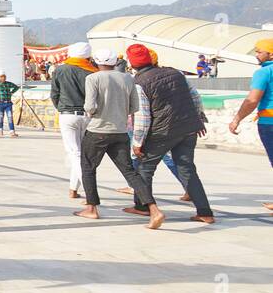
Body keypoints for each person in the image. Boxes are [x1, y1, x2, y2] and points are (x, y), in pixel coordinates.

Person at [73, 47, 164, 227]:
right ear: (115, 62)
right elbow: (134, 107)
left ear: (96, 61)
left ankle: (92, 208)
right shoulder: (128, 78)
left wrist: (94, 111)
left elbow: (90, 106)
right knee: (129, 171)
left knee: (88, 168)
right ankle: (154, 209)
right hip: (120, 132)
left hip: (98, 130)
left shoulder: (92, 78)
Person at [125, 43, 214, 224]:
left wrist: (137, 142)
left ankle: (142, 207)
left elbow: (143, 116)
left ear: (132, 64)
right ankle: (205, 212)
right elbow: (195, 96)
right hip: (188, 129)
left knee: (144, 169)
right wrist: (199, 119)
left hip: (161, 132)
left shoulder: (139, 83)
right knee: (187, 168)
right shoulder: (176, 73)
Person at [230, 38, 273, 210]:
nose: (257, 54)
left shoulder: (264, 72)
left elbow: (252, 100)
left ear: (270, 53)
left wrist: (237, 119)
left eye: (259, 51)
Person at [50, 41, 96, 198]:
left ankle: (89, 192)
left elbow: (54, 94)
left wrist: (61, 108)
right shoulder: (92, 71)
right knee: (80, 153)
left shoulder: (60, 70)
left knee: (75, 153)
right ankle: (73, 189)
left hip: (68, 114)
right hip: (88, 116)